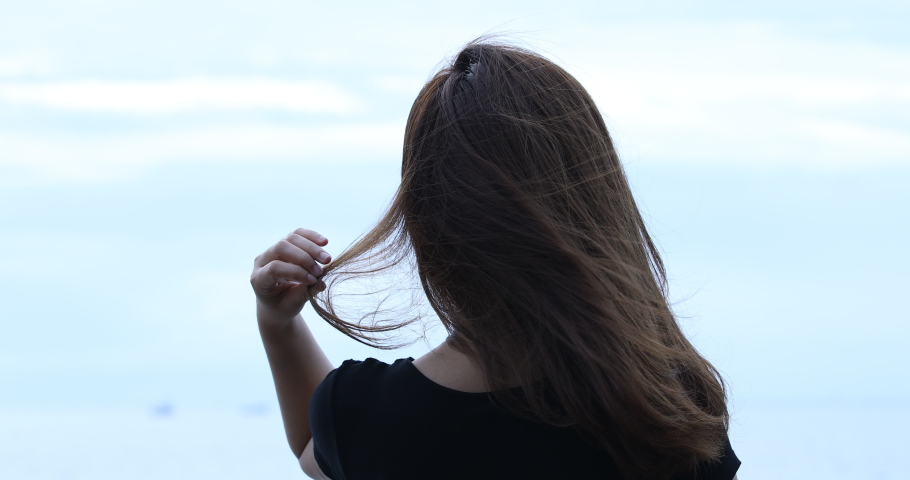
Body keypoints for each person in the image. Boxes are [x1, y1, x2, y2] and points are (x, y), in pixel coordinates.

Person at [250, 40, 741, 480]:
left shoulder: (367, 419)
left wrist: (277, 323)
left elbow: (318, 446)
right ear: (598, 211)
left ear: (424, 226)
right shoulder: (668, 415)